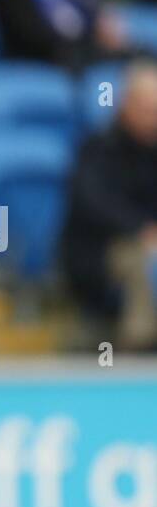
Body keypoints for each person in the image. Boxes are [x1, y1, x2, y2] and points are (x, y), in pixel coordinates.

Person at [59, 60, 157, 351]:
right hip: (99, 252)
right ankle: (140, 352)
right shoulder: (98, 148)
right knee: (144, 262)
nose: (153, 118)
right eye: (148, 109)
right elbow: (94, 203)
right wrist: (142, 230)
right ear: (126, 104)